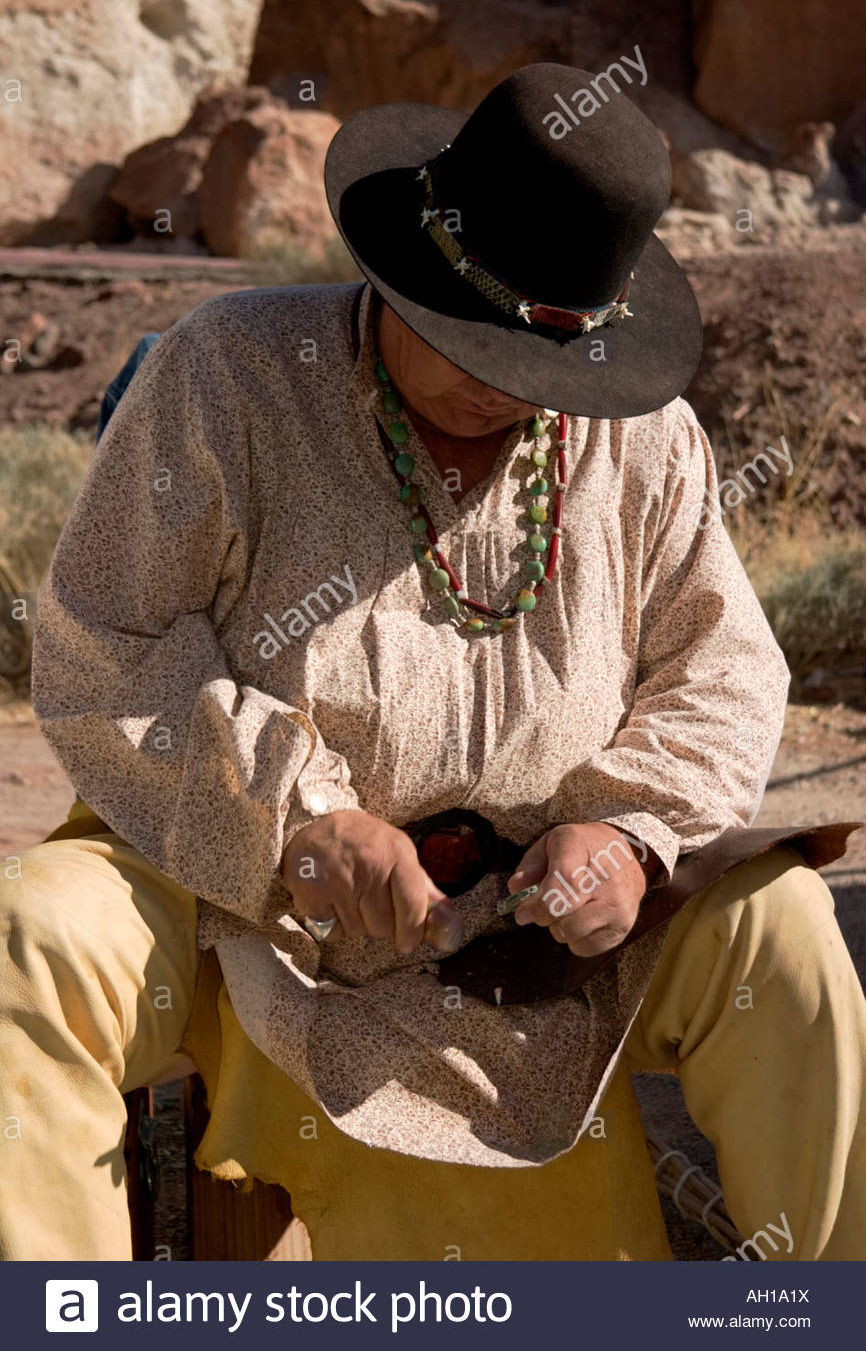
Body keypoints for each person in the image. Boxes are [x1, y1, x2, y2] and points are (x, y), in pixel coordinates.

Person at [2, 63, 865, 1262]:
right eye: (469, 343)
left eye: (535, 369)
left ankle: (818, 1311)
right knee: (32, 935)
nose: (497, 389)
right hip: (241, 908)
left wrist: (623, 834)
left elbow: (721, 668)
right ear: (401, 266)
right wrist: (297, 819)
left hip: (535, 947)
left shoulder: (644, 438)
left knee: (784, 930)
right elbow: (109, 633)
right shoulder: (229, 372)